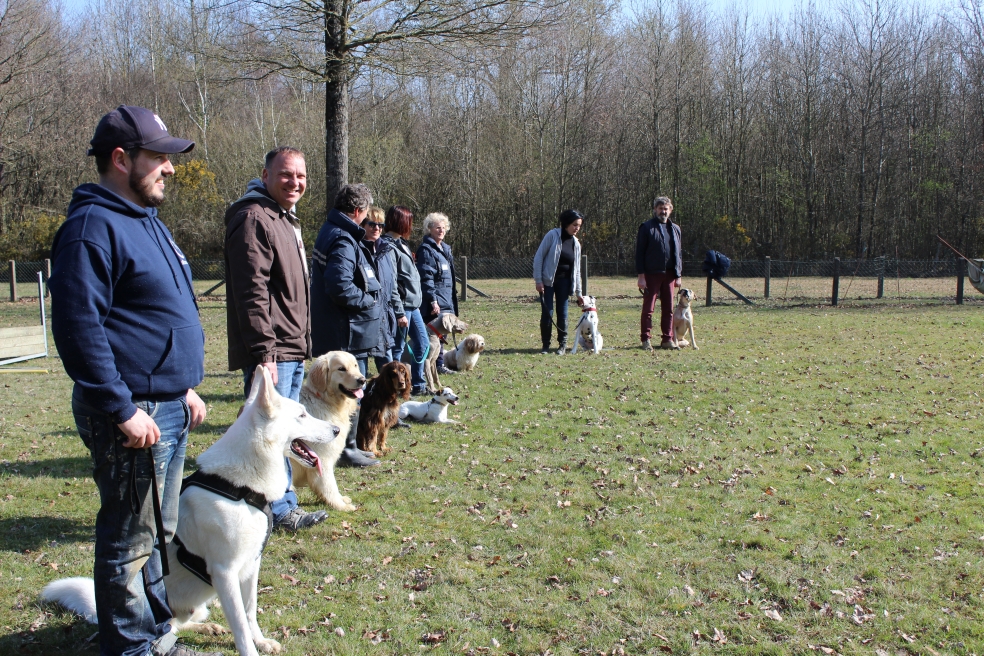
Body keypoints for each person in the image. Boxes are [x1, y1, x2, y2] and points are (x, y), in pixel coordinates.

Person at [48, 105, 218, 656]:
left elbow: (151, 315)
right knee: (129, 538)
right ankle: (131, 646)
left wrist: (181, 386)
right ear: (122, 159)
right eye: (160, 157)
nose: (170, 168)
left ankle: (155, 631)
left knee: (160, 531)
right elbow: (79, 331)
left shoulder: (147, 222)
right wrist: (122, 409)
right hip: (132, 411)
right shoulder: (90, 229)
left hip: (165, 403)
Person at [224, 145, 326, 531]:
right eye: (285, 174)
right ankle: (278, 509)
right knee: (268, 432)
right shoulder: (254, 217)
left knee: (280, 433)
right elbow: (252, 292)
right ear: (265, 176)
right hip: (272, 350)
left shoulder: (283, 217)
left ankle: (272, 504)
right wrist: (265, 352)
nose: (294, 182)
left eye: (300, 176)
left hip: (290, 346)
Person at [310, 183, 381, 467]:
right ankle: (344, 448)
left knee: (349, 393)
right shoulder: (342, 238)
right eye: (365, 215)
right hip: (345, 331)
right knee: (347, 392)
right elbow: (339, 285)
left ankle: (348, 445)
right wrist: (368, 301)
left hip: (345, 328)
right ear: (357, 211)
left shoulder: (337, 233)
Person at [380, 206, 429, 395]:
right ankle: (393, 388)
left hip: (413, 306)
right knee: (398, 348)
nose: (411, 225)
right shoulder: (388, 247)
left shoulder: (401, 244)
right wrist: (399, 312)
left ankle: (418, 384)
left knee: (423, 344)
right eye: (409, 221)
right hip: (402, 307)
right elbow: (391, 283)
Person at [533, 209, 584, 354]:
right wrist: (538, 280)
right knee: (547, 313)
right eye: (574, 225)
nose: (577, 228)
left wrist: (579, 293)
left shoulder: (576, 244)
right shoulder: (552, 235)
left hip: (565, 283)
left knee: (563, 314)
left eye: (579, 225)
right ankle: (545, 345)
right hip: (548, 282)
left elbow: (577, 270)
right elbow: (538, 258)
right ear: (567, 223)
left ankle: (562, 345)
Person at [636, 196, 683, 350]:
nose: (663, 211)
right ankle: (645, 339)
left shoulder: (675, 229)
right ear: (655, 209)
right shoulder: (646, 227)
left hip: (670, 275)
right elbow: (640, 253)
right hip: (651, 274)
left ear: (670, 210)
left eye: (666, 208)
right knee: (648, 309)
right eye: (660, 208)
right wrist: (641, 276)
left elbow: (678, 254)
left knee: (668, 309)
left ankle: (667, 339)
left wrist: (678, 275)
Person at [416, 212, 459, 374]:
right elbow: (426, 278)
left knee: (444, 335)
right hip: (435, 302)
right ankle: (432, 366)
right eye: (437, 228)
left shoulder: (445, 249)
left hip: (447, 299)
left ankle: (439, 365)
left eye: (443, 228)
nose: (441, 231)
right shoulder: (427, 250)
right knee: (434, 337)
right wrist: (432, 300)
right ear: (429, 229)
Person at [361, 207, 401, 374]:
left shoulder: (386, 251)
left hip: (384, 319)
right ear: (362, 225)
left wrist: (397, 311)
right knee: (359, 375)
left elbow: (391, 286)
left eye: (380, 225)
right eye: (372, 224)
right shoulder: (356, 249)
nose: (376, 228)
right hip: (363, 320)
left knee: (389, 372)